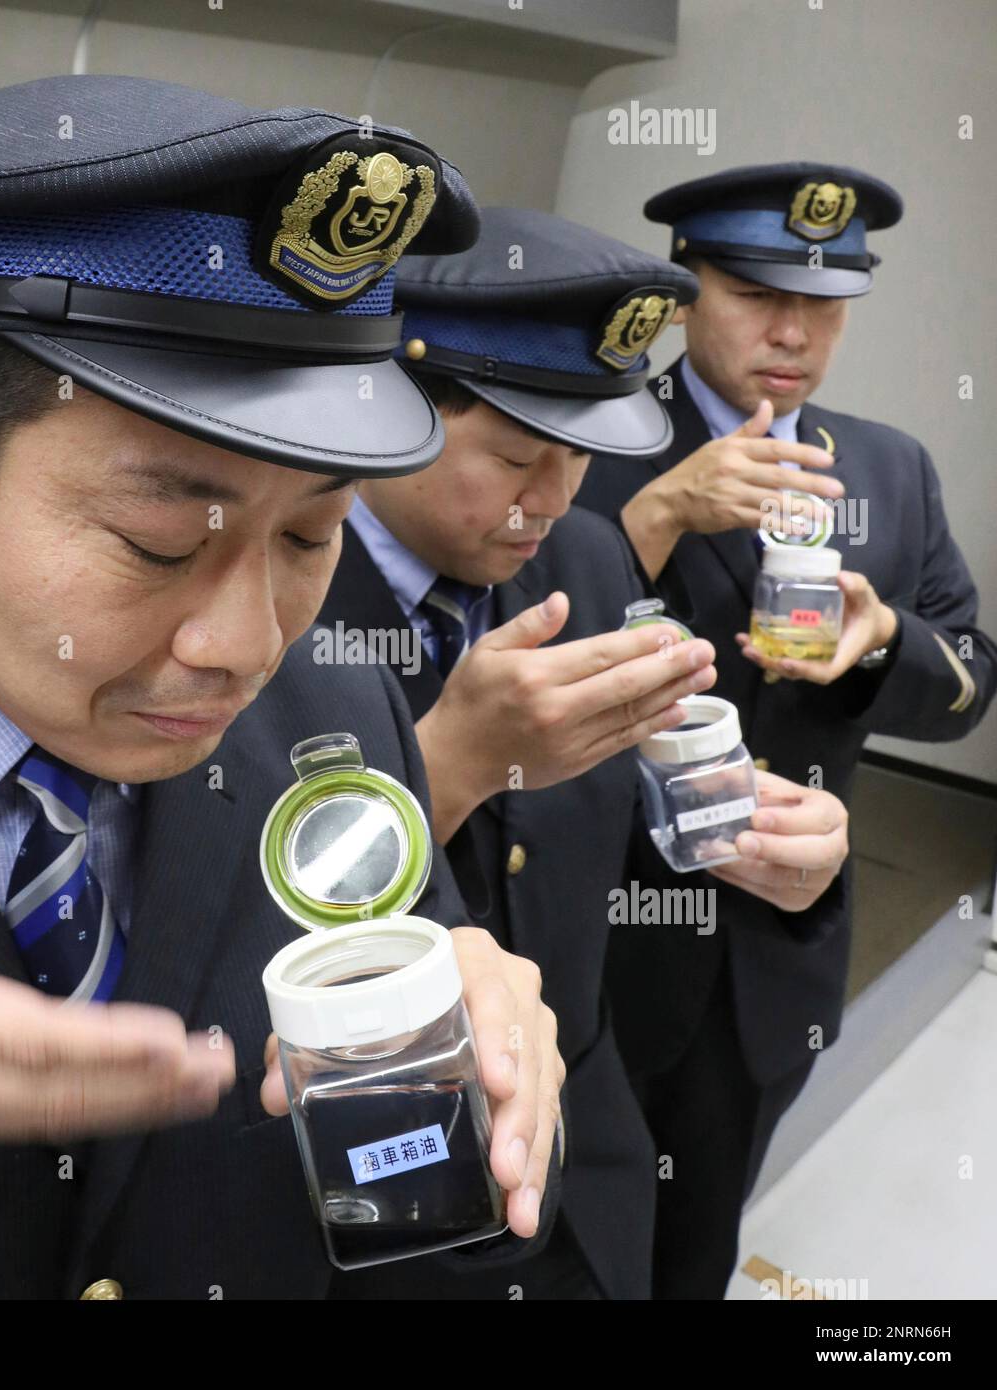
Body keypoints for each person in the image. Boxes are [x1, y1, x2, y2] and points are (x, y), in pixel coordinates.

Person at [0, 74, 567, 1300]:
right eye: (158, 543)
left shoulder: (332, 716)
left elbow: (399, 1231)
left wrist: (483, 1120)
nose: (245, 644)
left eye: (308, 539)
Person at [316, 207, 850, 1299]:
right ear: (384, 408)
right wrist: (447, 763)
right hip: (388, 1179)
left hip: (590, 1154)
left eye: (580, 455)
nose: (550, 499)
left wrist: (755, 838)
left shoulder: (589, 555)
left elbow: (608, 843)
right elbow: (235, 913)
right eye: (516, 455)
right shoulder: (272, 591)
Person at [577, 163, 997, 1298]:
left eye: (823, 302)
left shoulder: (887, 468)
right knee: (563, 1235)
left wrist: (876, 638)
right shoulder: (590, 433)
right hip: (596, 932)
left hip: (774, 946)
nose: (792, 330)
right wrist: (657, 514)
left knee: (698, 1233)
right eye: (756, 292)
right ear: (682, 291)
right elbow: (497, 650)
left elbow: (968, 679)